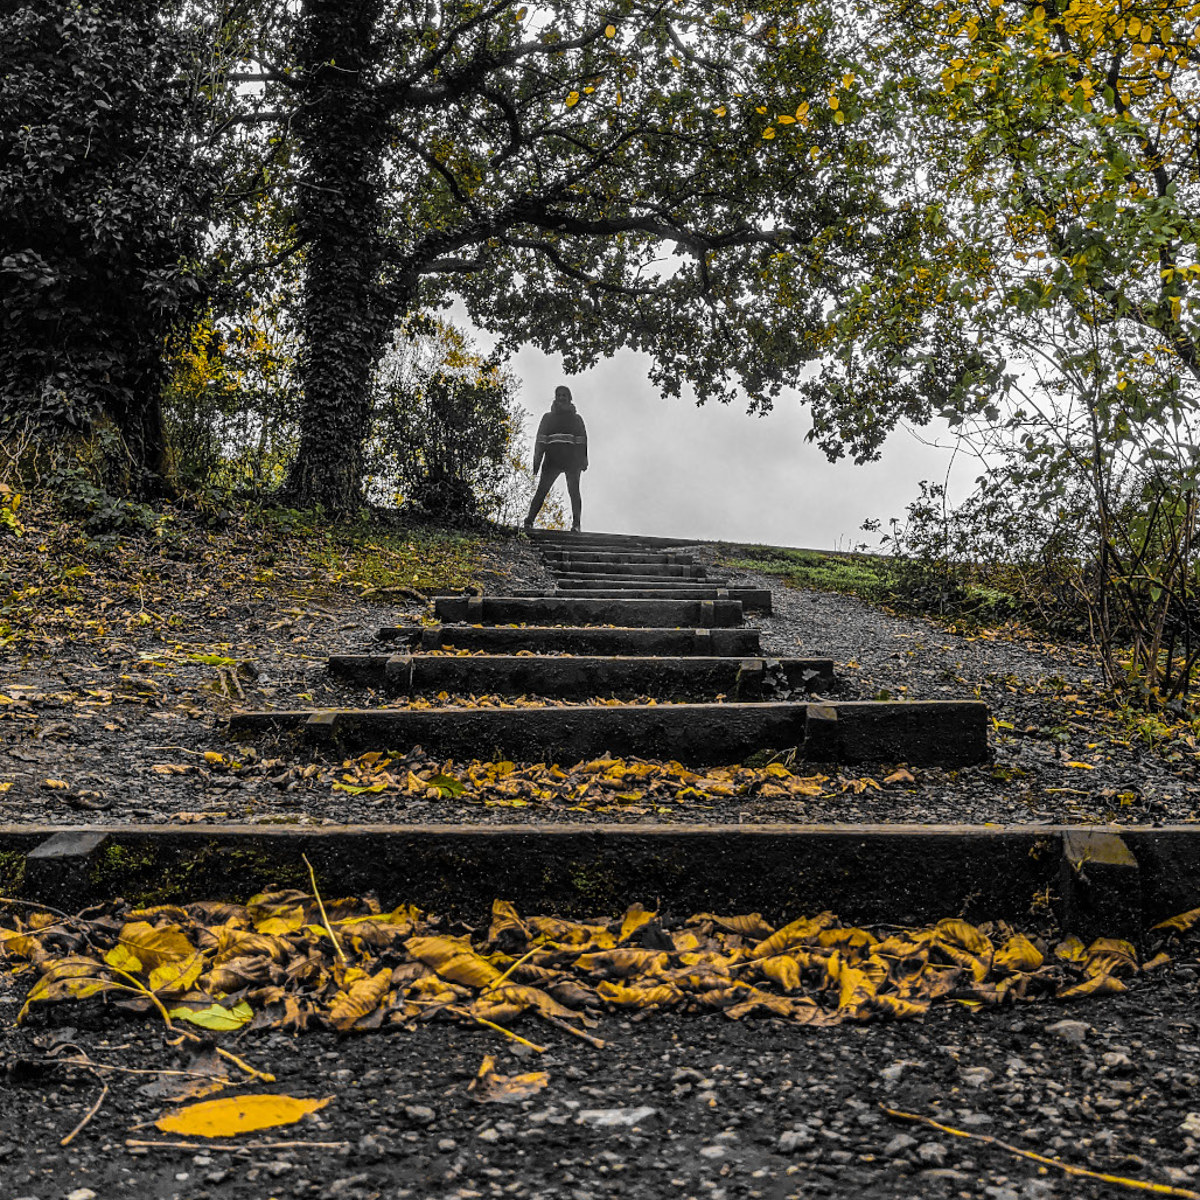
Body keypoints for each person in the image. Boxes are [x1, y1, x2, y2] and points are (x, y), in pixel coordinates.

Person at [524, 385, 588, 532]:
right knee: (542, 491)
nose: (561, 398)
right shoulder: (548, 418)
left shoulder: (576, 419)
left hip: (572, 462)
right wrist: (536, 463)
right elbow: (540, 441)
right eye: (558, 395)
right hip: (552, 461)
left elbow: (582, 441)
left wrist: (583, 461)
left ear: (569, 398)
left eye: (564, 395)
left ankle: (576, 525)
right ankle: (529, 521)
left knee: (574, 492)